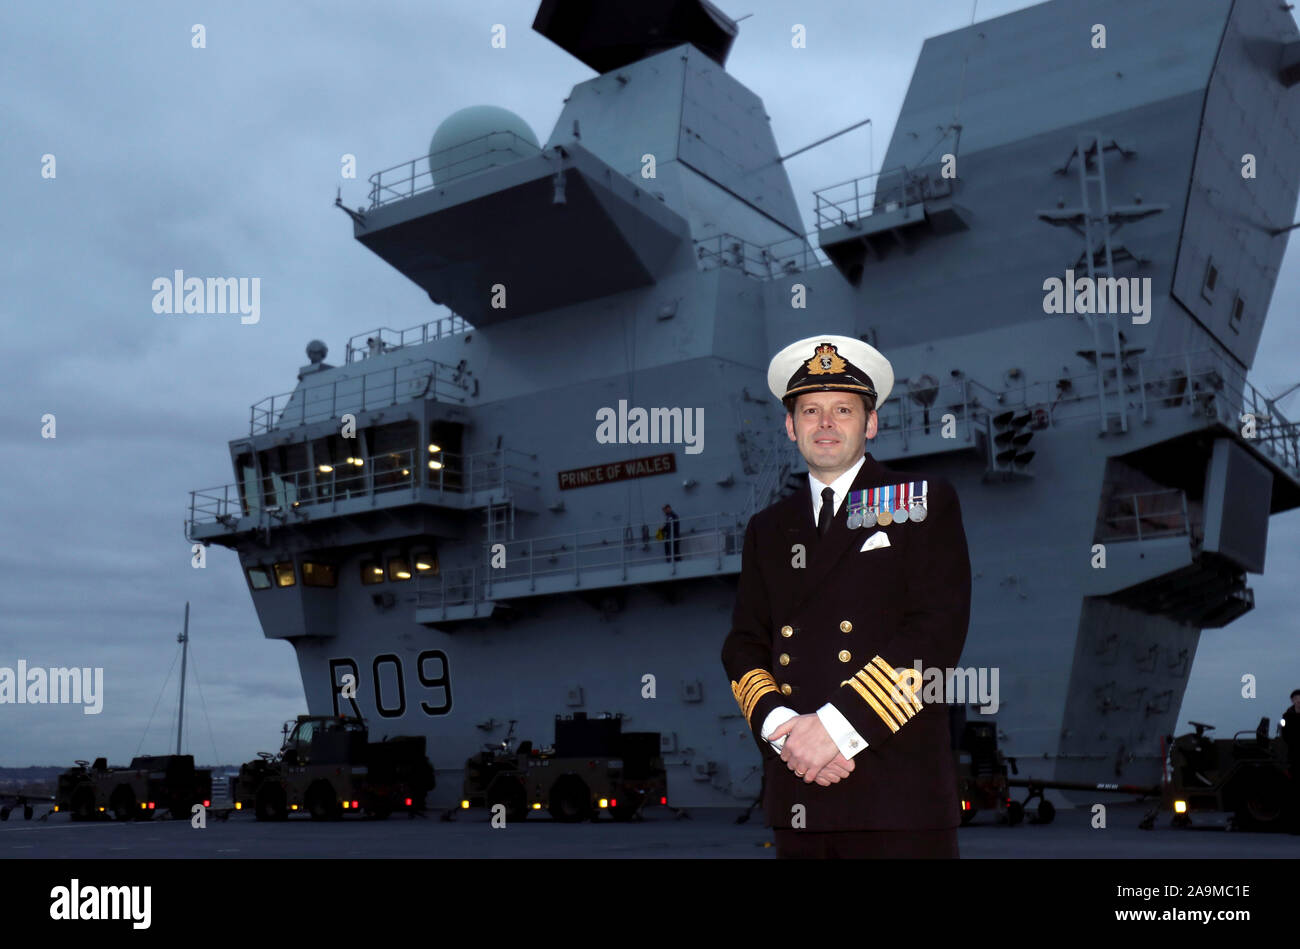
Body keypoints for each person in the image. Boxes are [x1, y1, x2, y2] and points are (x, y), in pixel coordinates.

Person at [721, 334, 971, 858]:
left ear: (870, 424)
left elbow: (937, 631)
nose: (826, 423)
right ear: (791, 427)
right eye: (810, 410)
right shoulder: (767, 528)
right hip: (800, 793)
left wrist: (836, 728)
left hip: (898, 799)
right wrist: (785, 732)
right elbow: (745, 643)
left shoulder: (922, 501)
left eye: (843, 409)